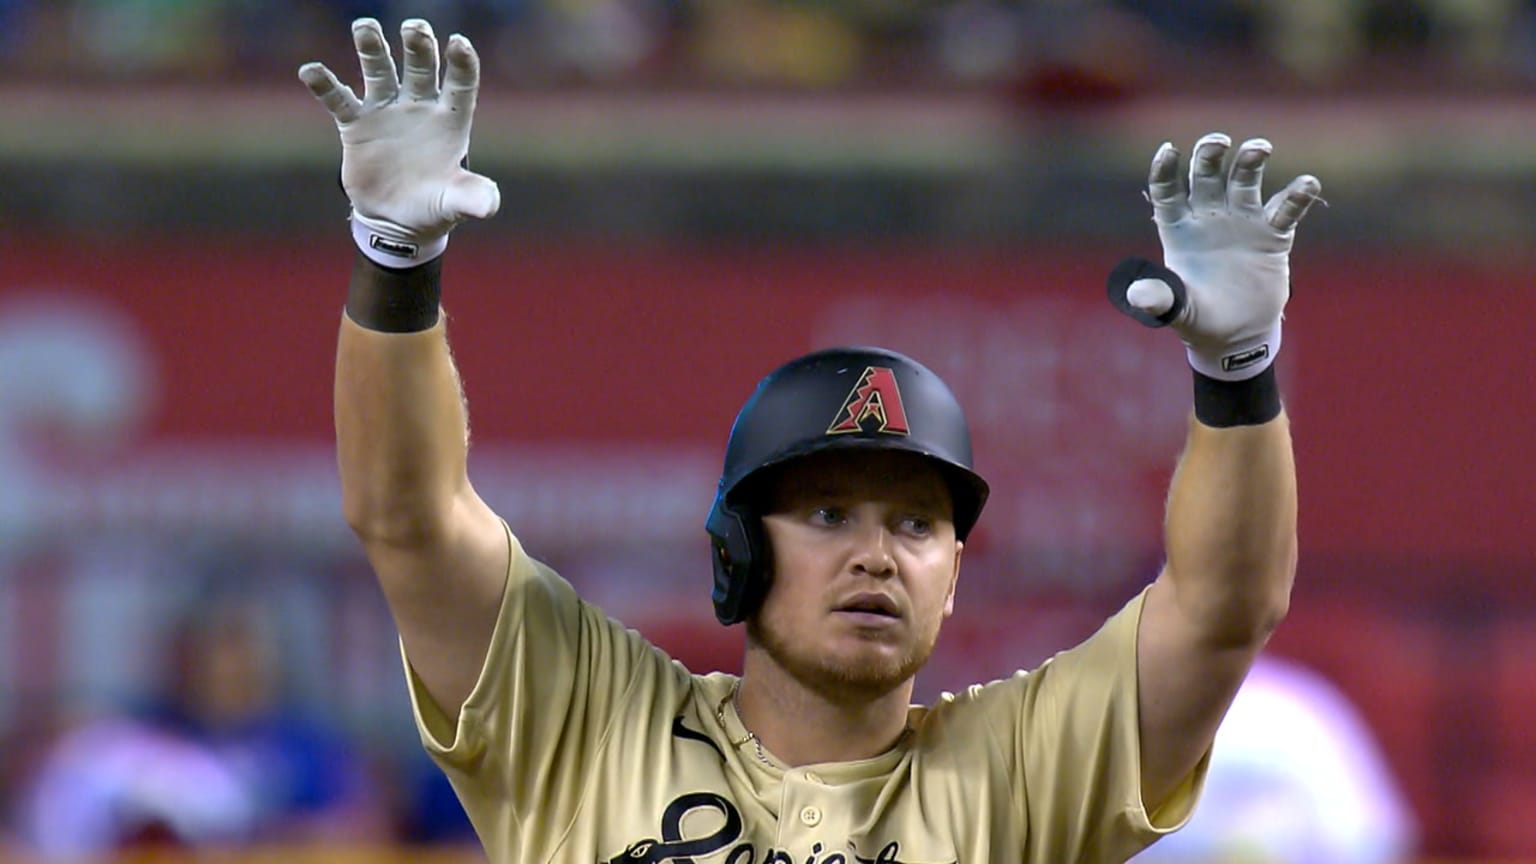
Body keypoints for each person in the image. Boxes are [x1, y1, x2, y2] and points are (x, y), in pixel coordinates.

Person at [299, 16, 1322, 863]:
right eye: (829, 513)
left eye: (917, 525)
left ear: (954, 573)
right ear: (738, 550)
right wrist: (395, 259)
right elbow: (409, 518)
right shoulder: (588, 721)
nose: (877, 553)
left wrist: (1236, 372)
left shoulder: (1015, 772)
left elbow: (1224, 609)